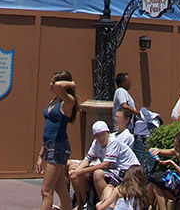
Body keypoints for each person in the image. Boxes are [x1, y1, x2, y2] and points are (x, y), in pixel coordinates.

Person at [69, 120, 140, 210]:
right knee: (80, 173)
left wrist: (80, 171)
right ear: (94, 136)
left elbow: (105, 165)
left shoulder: (113, 142)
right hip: (114, 171)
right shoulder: (96, 144)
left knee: (98, 174)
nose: (101, 138)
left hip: (127, 172)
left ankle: (104, 204)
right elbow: (87, 159)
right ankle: (84, 204)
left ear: (108, 132)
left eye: (103, 134)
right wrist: (76, 171)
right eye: (98, 135)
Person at [36, 70, 79, 210]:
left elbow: (60, 86)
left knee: (46, 190)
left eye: (53, 82)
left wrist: (71, 84)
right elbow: (48, 131)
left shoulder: (68, 102)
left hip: (58, 147)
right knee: (61, 189)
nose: (51, 84)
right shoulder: (54, 101)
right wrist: (40, 155)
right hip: (50, 146)